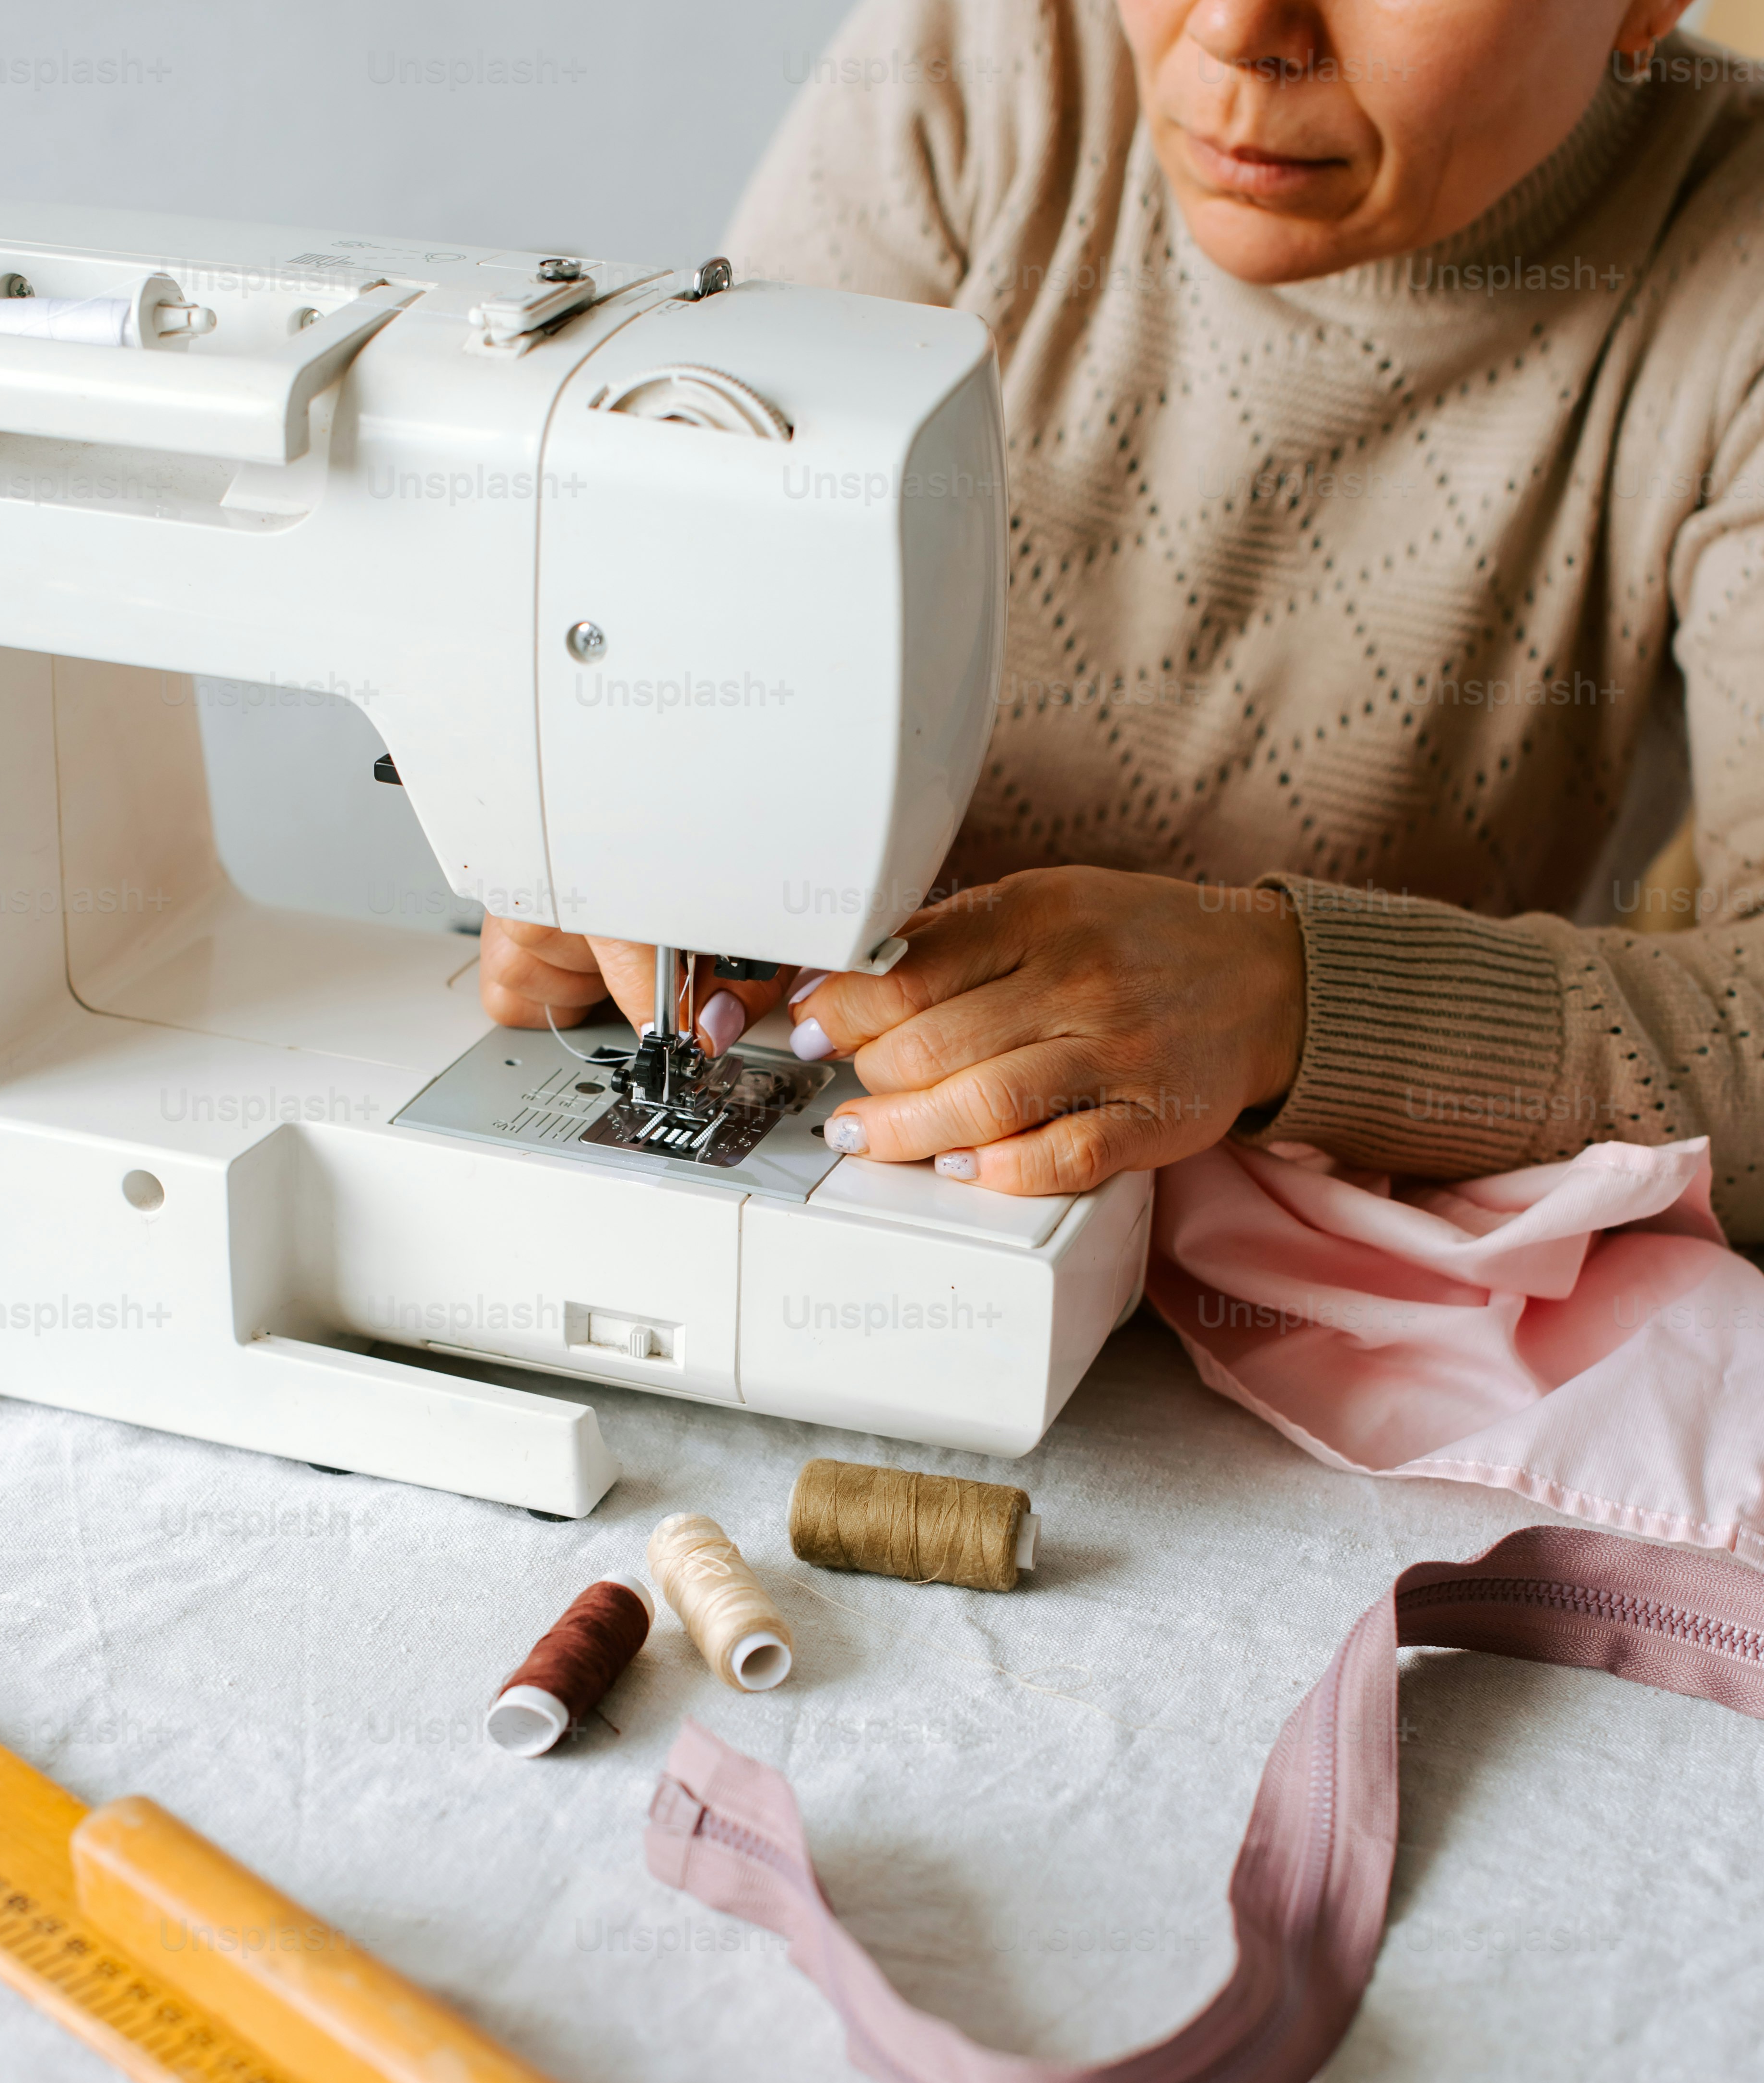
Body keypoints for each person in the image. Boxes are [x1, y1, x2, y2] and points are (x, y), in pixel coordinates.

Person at [480, 0, 1764, 1236]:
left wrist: (1291, 999)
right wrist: (614, 828)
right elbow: (701, 627)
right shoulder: (985, 52)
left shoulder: (1734, 255)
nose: (1236, 30)